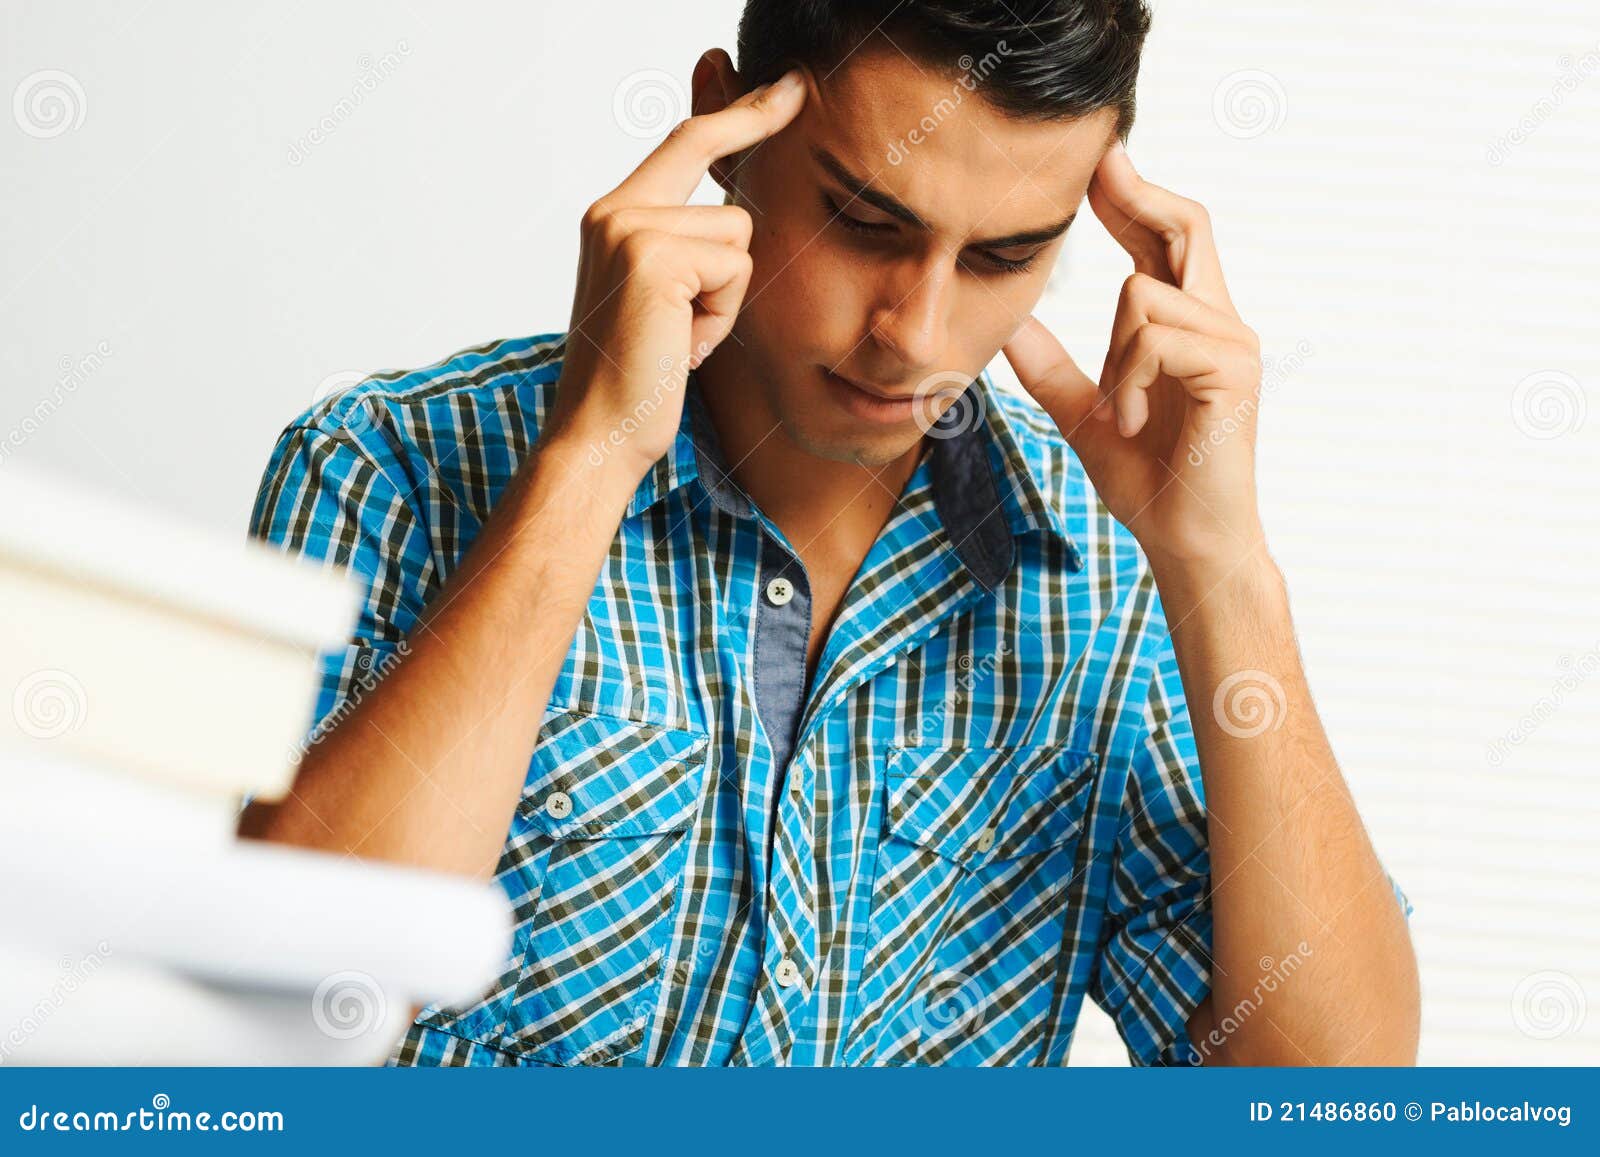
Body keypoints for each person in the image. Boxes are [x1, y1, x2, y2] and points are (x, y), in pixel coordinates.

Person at [241, 0, 1419, 1067]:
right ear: (726, 132)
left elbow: (1331, 1103)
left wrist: (1222, 572)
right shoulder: (383, 465)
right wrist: (590, 466)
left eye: (1006, 255)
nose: (917, 332)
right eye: (863, 223)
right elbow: (276, 1009)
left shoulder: (1113, 588)